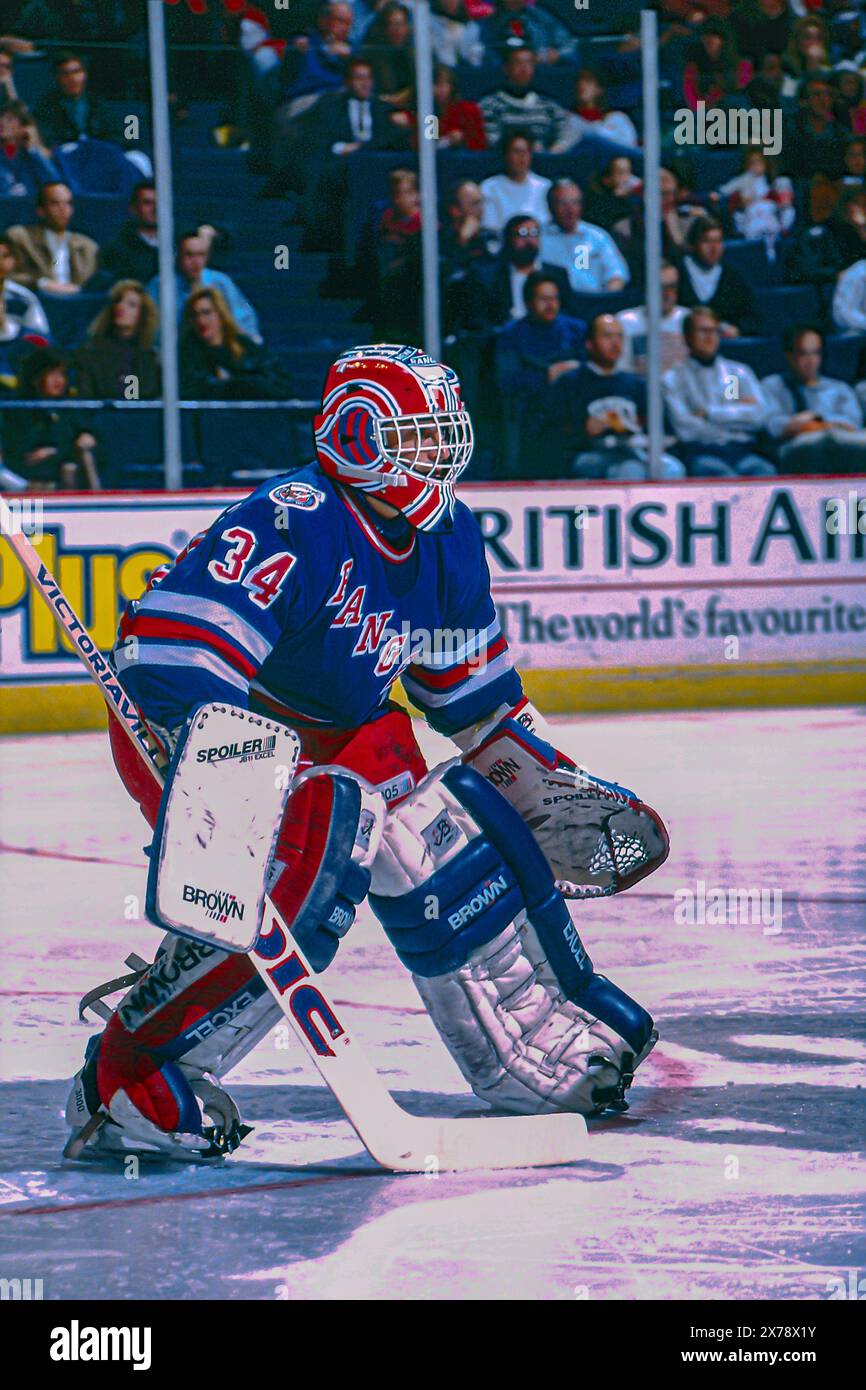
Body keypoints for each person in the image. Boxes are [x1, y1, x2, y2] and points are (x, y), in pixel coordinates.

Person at [63, 341, 664, 1162]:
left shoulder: (446, 535)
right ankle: (132, 1072)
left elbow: (475, 703)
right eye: (418, 436)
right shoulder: (296, 517)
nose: (440, 451)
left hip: (342, 727)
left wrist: (534, 783)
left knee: (445, 837)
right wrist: (227, 794)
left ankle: (536, 1045)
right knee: (309, 852)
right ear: (355, 436)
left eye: (443, 431)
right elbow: (177, 662)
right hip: (197, 729)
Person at [548, 314, 685, 480]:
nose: (615, 343)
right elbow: (551, 433)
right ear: (589, 344)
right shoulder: (570, 383)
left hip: (633, 450)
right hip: (588, 454)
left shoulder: (637, 384)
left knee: (672, 468)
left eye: (619, 336)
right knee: (631, 469)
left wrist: (640, 427)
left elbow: (665, 431)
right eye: (607, 336)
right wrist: (583, 429)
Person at [662, 307, 775, 477]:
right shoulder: (673, 379)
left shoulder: (733, 375)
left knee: (763, 471)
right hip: (702, 453)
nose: (710, 337)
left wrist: (709, 414)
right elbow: (686, 429)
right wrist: (733, 424)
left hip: (741, 451)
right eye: (703, 331)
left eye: (714, 331)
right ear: (687, 337)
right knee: (721, 474)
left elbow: (758, 415)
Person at [494, 271, 586, 474]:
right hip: (531, 411)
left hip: (572, 407)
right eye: (544, 299)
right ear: (527, 303)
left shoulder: (577, 329)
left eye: (554, 298)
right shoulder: (511, 334)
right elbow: (506, 380)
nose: (551, 304)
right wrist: (547, 376)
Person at [762, 323, 866, 473]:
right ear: (789, 355)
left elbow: (853, 423)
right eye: (803, 354)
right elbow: (773, 426)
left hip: (842, 447)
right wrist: (822, 425)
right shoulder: (772, 386)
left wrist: (815, 422)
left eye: (816, 353)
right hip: (796, 450)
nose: (811, 361)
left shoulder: (839, 388)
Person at [1, 345, 100, 489]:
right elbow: (21, 453)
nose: (58, 381)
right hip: (24, 476)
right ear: (35, 378)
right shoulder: (18, 410)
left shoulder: (70, 409)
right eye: (51, 374)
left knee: (71, 467)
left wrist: (54, 451)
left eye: (62, 374)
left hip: (61, 469)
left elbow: (82, 439)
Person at [147, 229, 261, 342]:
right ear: (178, 256)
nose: (196, 262)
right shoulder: (160, 286)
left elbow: (246, 325)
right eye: (189, 255)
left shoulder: (221, 282)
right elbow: (150, 330)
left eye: (201, 255)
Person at [179, 286, 289, 400]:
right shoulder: (187, 354)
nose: (201, 320)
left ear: (221, 313)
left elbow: (277, 383)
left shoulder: (246, 347)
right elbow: (194, 390)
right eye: (195, 315)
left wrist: (231, 383)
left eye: (207, 312)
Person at [5, 181, 99, 295]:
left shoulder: (87, 246)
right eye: (55, 203)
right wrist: (41, 284)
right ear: (41, 210)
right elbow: (9, 276)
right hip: (38, 300)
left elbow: (91, 286)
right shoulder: (20, 237)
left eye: (68, 203)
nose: (63, 209)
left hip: (77, 304)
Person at [73, 280, 161, 401]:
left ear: (142, 314)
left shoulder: (151, 357)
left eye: (131, 304)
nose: (121, 306)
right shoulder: (90, 353)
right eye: (118, 301)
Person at [479, 46, 577, 153]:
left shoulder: (548, 104)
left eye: (529, 63)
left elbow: (569, 131)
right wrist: (523, 149)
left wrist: (555, 150)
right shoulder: (489, 105)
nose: (524, 68)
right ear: (506, 68)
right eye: (518, 62)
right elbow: (490, 139)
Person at [540, 179, 630, 293]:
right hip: (556, 304)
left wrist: (606, 300)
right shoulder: (539, 238)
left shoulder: (597, 236)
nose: (570, 210)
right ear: (550, 206)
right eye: (562, 203)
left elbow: (617, 274)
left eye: (575, 202)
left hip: (593, 301)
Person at [677, 216, 760, 337]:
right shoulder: (678, 272)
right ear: (693, 244)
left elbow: (753, 318)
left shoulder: (733, 276)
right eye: (707, 241)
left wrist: (737, 329)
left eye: (718, 241)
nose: (714, 248)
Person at [32, 50, 119, 147]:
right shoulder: (46, 107)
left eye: (76, 72)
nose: (73, 79)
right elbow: (48, 139)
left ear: (85, 74)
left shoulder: (98, 104)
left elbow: (113, 135)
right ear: (57, 77)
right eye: (66, 74)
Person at [616, 261, 689, 374]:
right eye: (661, 287)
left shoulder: (689, 319)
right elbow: (620, 370)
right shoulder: (624, 321)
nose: (667, 294)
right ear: (646, 288)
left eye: (672, 287)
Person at [479, 130, 551, 236]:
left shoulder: (546, 186)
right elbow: (490, 228)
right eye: (516, 151)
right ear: (506, 155)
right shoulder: (489, 187)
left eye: (526, 152)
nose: (522, 157)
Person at [99, 180, 159, 286]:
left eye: (158, 203)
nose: (154, 209)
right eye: (147, 203)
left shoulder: (178, 242)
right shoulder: (117, 248)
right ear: (133, 208)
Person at [0, 99, 58, 197]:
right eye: (0, 118)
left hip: (32, 208)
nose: (1, 123)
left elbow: (54, 184)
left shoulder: (32, 155)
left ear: (24, 127)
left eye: (9, 119)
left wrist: (33, 149)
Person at [0, 233, 50, 345]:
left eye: (6, 256)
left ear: (15, 260)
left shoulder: (24, 298)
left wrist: (4, 327)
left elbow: (40, 338)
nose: (0, 262)